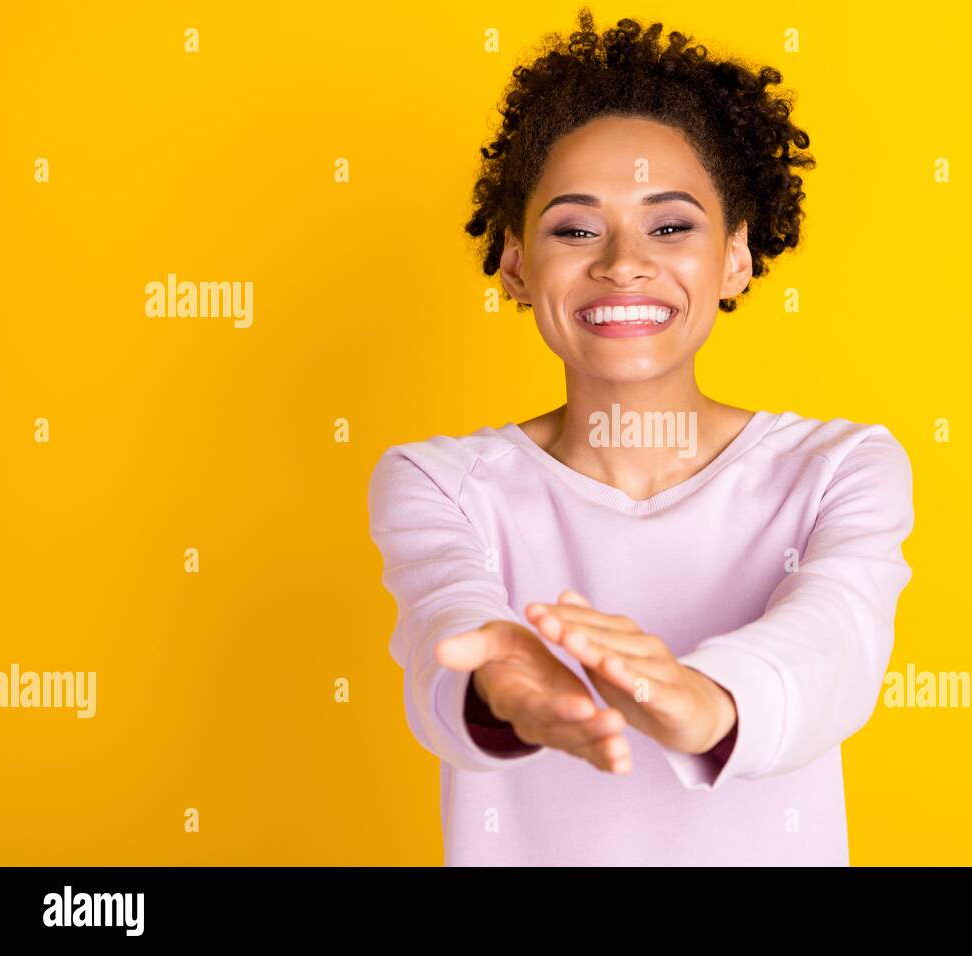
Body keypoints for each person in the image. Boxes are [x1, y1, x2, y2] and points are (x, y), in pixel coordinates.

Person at [367, 7, 914, 866]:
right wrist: (499, 685)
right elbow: (446, 631)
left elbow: (837, 638)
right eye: (575, 228)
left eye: (670, 225)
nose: (623, 261)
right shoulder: (439, 482)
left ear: (735, 255)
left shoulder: (837, 470)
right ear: (515, 263)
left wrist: (706, 700)